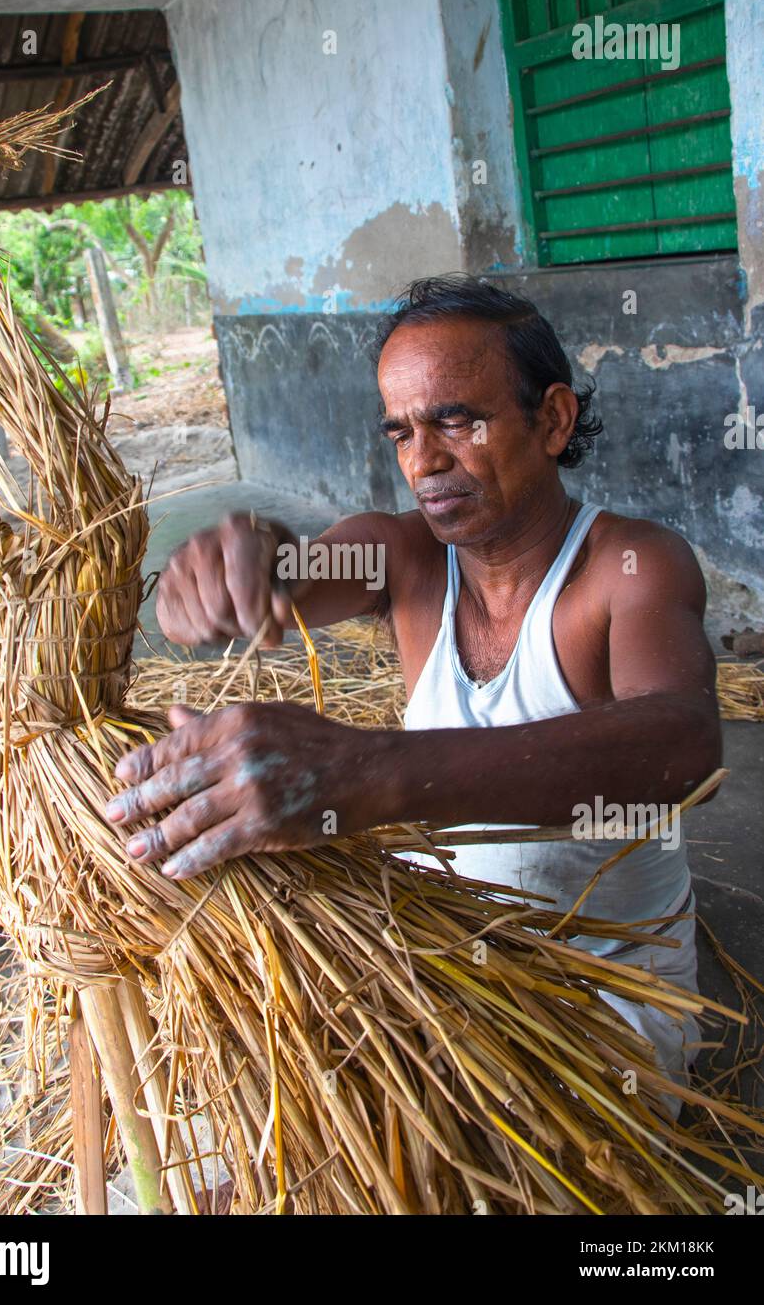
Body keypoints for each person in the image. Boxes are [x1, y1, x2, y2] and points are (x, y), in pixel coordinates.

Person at [106, 275, 722, 1114]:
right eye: (401, 432)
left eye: (457, 422)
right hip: (444, 968)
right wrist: (241, 563)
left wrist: (375, 773)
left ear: (552, 420)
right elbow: (295, 571)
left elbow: (681, 743)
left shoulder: (629, 566)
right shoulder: (403, 558)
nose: (423, 462)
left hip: (598, 1011)